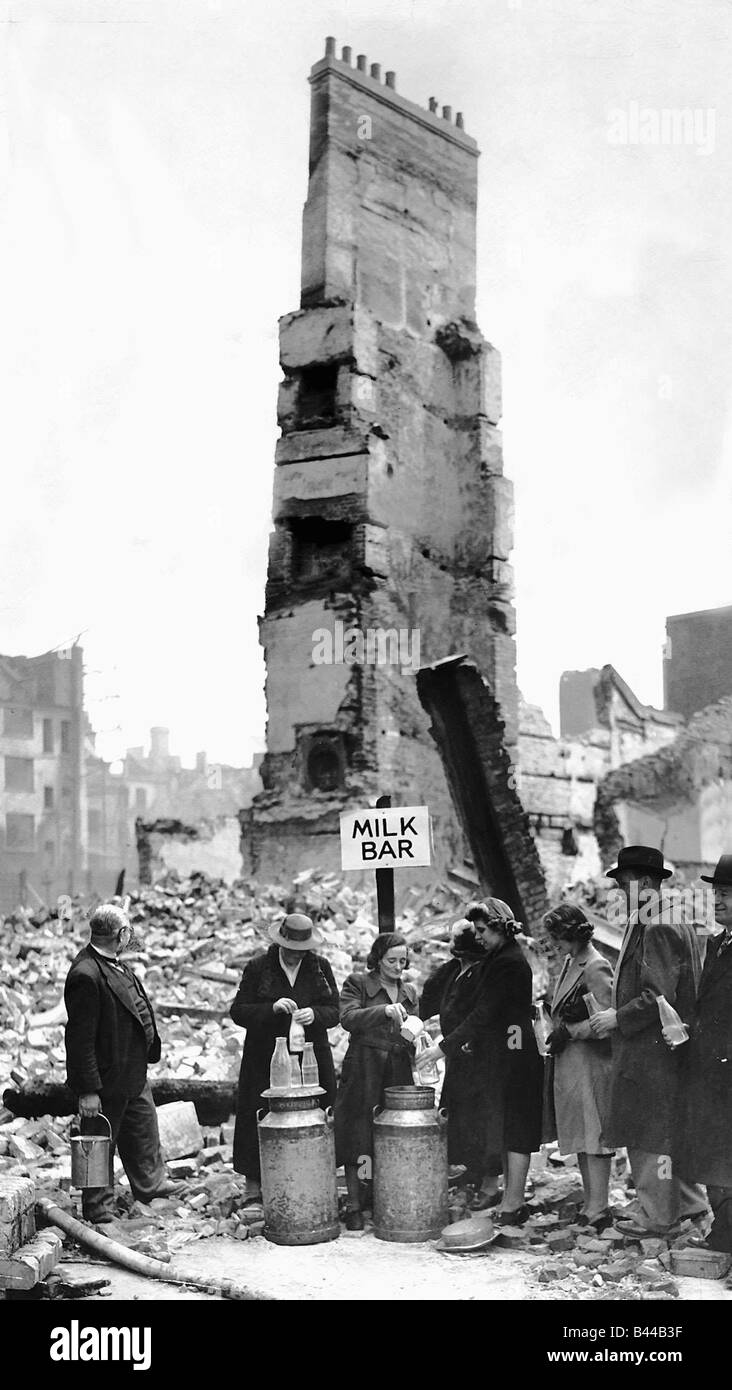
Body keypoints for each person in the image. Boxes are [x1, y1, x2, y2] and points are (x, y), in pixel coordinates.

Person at [590, 844, 708, 1236]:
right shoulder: (676, 917)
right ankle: (690, 1204)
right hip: (671, 1046)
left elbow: (657, 995)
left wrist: (616, 1018)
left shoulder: (655, 924)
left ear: (642, 883)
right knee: (670, 1126)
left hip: (648, 1047)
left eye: (623, 885)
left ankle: (658, 1215)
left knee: (645, 1129)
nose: (621, 893)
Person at [416, 899, 544, 1225]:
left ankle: (513, 1204)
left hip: (515, 1057)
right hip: (503, 1054)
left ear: (500, 926)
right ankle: (507, 1198)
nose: (480, 937)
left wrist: (442, 1048)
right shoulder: (499, 957)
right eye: (476, 931)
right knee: (504, 1127)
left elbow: (484, 1013)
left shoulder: (509, 963)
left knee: (516, 1130)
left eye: (483, 930)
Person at [64, 902, 184, 1226]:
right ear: (121, 935)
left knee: (143, 1130)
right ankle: (97, 1206)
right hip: (106, 1078)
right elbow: (79, 1040)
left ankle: (150, 1186)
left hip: (132, 1071)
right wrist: (88, 1091)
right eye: (128, 932)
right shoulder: (85, 975)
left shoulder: (112, 963)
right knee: (100, 1138)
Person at [229, 912, 339, 1203]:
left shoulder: (320, 967)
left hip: (310, 1055)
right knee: (259, 1110)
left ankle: (312, 1178)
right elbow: (238, 1012)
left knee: (316, 1112)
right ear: (280, 944)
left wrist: (314, 1014)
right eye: (290, 951)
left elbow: (335, 1012)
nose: (294, 957)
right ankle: (254, 1185)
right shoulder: (258, 967)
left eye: (301, 952)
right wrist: (271, 1008)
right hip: (266, 1054)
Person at [334, 932, 418, 1231]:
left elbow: (411, 1031)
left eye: (403, 961)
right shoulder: (358, 983)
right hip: (364, 1066)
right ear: (378, 959)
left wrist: (417, 1038)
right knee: (359, 1133)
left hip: (397, 1069)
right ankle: (355, 1204)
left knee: (392, 1133)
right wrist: (383, 1011)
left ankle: (381, 1199)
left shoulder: (408, 991)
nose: (398, 967)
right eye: (392, 960)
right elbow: (347, 1018)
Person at [419, 917, 502, 1208]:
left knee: (482, 1120)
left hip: (479, 1057)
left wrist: (447, 1046)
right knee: (459, 1118)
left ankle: (487, 1184)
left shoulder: (484, 973)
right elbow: (428, 998)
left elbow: (482, 1016)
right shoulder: (452, 970)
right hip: (457, 1056)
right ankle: (467, 1178)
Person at [543, 902, 614, 1232]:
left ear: (571, 934)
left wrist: (569, 1031)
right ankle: (591, 1203)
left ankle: (599, 1207)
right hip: (572, 1062)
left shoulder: (595, 966)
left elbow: (606, 1021)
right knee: (581, 1134)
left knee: (595, 1135)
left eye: (557, 936)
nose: (553, 943)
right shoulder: (571, 962)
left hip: (590, 1063)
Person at [680, 855, 732, 1251]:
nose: (718, 901)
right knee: (714, 1155)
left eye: (728, 894)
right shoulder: (718, 944)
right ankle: (724, 1236)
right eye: (716, 892)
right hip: (710, 1070)